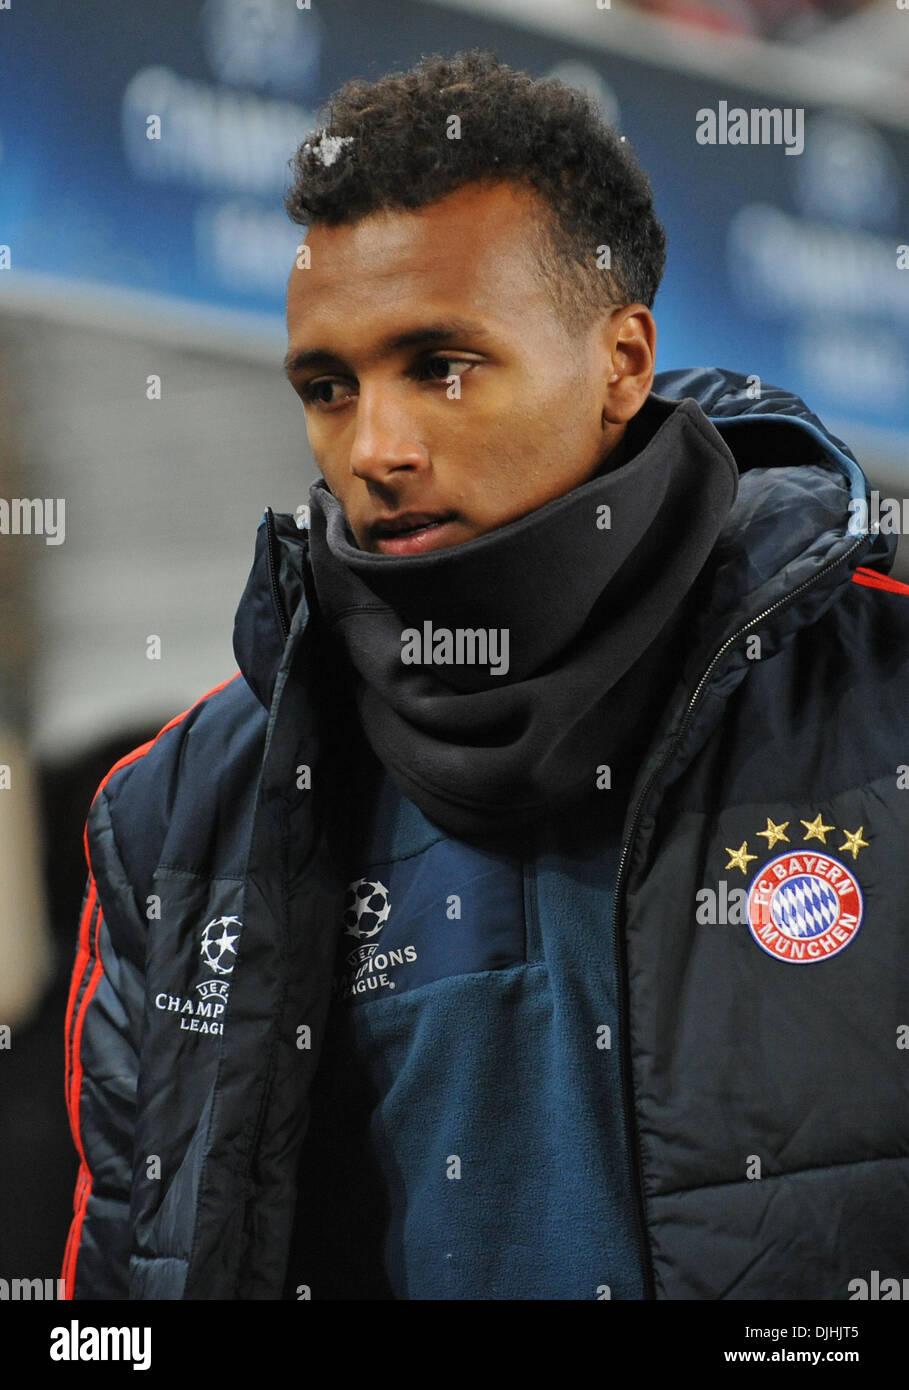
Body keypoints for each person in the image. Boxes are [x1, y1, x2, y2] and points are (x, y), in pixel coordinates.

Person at [63, 49, 909, 1302]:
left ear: (621, 363)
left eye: (441, 368)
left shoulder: (880, 691)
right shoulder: (179, 809)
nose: (376, 449)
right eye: (328, 388)